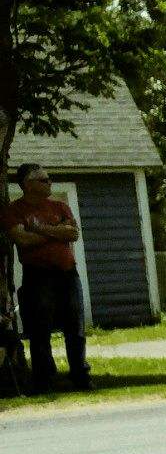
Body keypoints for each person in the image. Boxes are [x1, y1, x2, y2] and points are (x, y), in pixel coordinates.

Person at [2, 163, 91, 391]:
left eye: (49, 179)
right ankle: (44, 379)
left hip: (68, 273)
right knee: (40, 329)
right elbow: (22, 239)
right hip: (38, 275)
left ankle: (80, 375)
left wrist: (40, 230)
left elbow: (73, 233)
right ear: (27, 184)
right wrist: (57, 231)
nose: (50, 183)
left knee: (75, 327)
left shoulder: (60, 207)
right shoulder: (15, 210)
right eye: (44, 180)